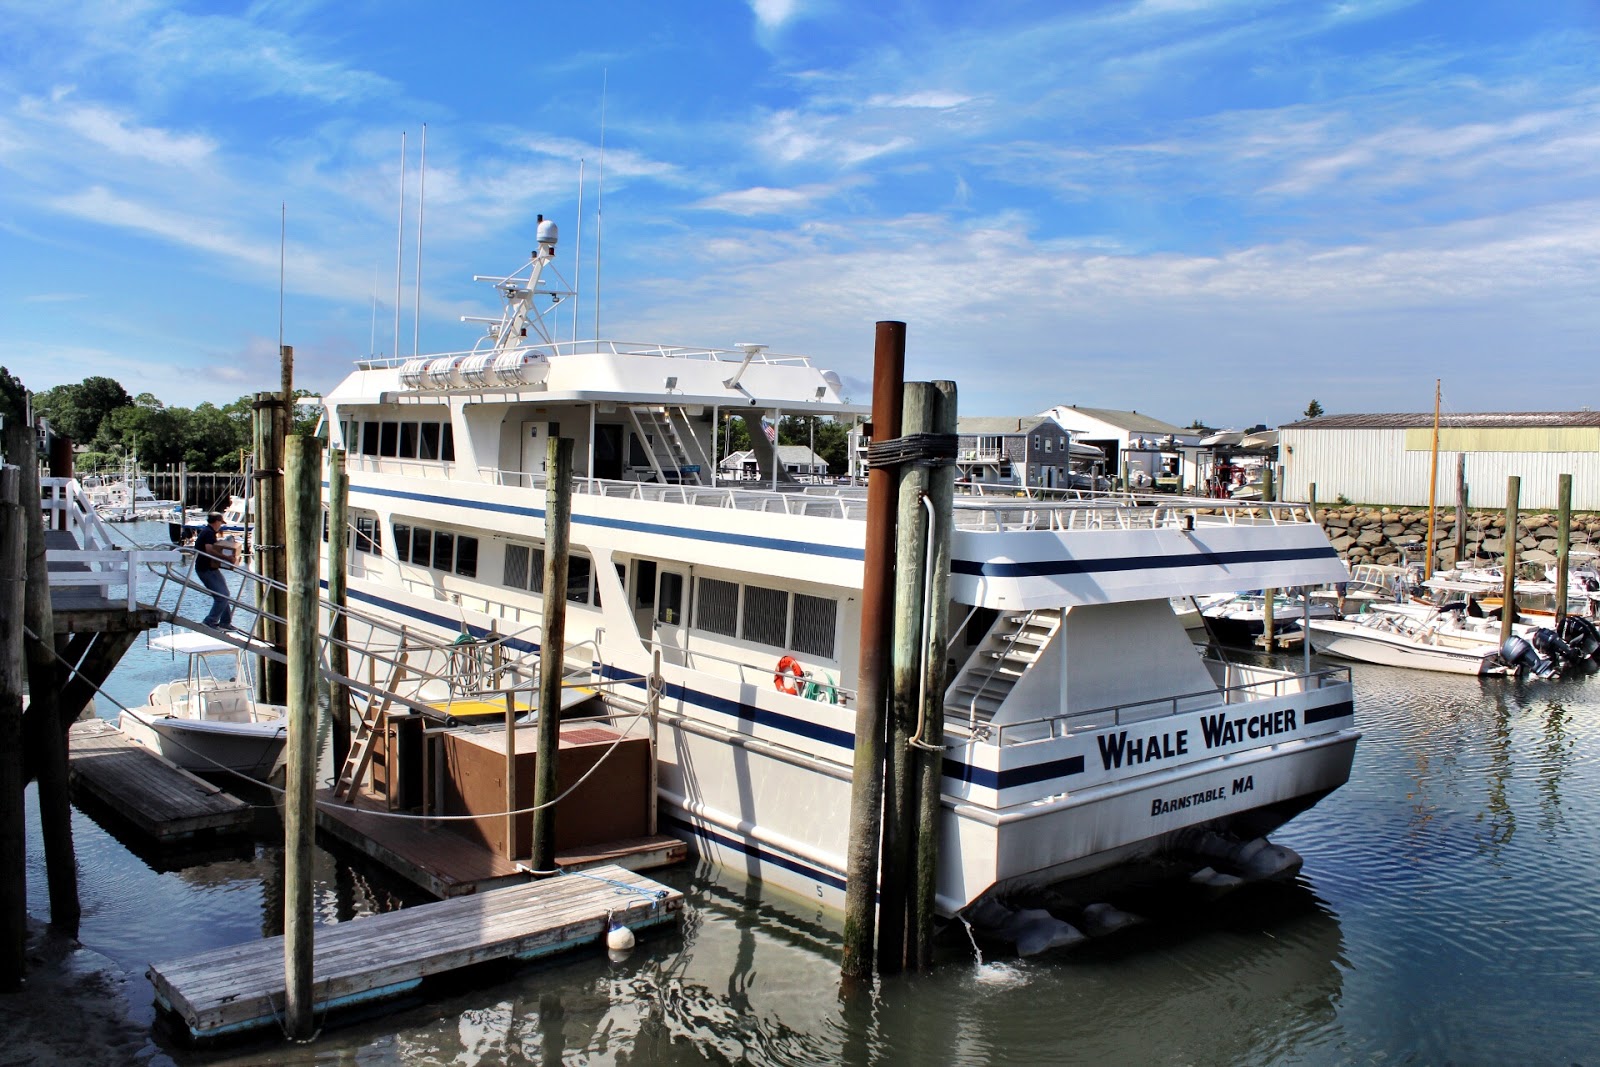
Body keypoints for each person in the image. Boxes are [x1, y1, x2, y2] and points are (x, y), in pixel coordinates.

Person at [194, 513, 234, 629]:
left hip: (211, 568)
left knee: (225, 594)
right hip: (205, 569)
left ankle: (225, 622)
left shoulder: (208, 532)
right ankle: (210, 621)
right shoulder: (209, 533)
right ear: (216, 521)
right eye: (220, 523)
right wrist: (226, 558)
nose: (220, 526)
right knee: (222, 596)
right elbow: (209, 549)